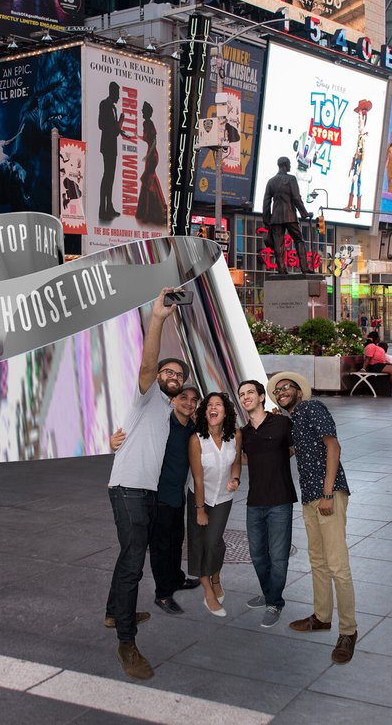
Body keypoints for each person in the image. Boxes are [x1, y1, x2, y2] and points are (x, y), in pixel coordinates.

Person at [105, 288, 184, 681]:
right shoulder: (148, 394)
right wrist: (157, 320)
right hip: (128, 488)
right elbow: (147, 367)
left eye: (178, 376)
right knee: (134, 562)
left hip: (143, 490)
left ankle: (113, 610)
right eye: (168, 373)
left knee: (129, 555)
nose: (171, 377)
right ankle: (126, 641)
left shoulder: (168, 409)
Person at [272, 372, 358, 664]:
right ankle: (322, 617)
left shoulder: (312, 407)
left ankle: (349, 631)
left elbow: (333, 446)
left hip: (327, 495)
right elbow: (292, 452)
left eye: (286, 387)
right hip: (310, 497)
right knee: (318, 561)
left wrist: (328, 493)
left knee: (337, 565)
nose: (281, 391)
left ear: (299, 391)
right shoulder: (294, 420)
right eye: (277, 390)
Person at [238, 378, 297, 629]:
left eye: (250, 392)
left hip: (281, 500)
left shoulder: (282, 422)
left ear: (262, 397)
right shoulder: (243, 432)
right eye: (242, 394)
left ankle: (274, 602)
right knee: (258, 555)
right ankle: (269, 592)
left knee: (279, 557)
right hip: (255, 501)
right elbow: (241, 459)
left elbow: (295, 448)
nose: (246, 397)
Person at [186, 390, 241, 617]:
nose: (212, 407)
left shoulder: (235, 435)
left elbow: (236, 463)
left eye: (218, 404)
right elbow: (198, 478)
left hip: (223, 499)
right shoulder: (196, 439)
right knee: (198, 542)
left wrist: (235, 479)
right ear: (205, 411)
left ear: (225, 411)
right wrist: (200, 510)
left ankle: (216, 576)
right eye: (209, 405)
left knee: (214, 541)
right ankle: (208, 590)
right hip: (199, 496)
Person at [149, 384, 201, 615]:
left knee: (176, 540)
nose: (189, 402)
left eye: (193, 399)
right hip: (159, 495)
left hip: (177, 495)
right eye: (184, 398)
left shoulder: (192, 427)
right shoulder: (162, 425)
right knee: (161, 547)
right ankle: (162, 594)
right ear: (173, 401)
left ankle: (177, 578)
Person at [261, 156, 312, 274]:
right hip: (290, 216)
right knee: (299, 240)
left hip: (276, 218)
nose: (290, 166)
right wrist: (304, 213)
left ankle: (282, 269)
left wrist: (267, 220)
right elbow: (296, 198)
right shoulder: (291, 179)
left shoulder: (271, 181)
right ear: (285, 165)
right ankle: (304, 268)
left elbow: (266, 203)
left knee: (279, 244)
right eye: (289, 164)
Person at [134, 102, 169, 225]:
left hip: (153, 155)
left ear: (147, 112)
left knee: (149, 180)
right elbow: (147, 138)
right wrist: (137, 136)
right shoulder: (145, 123)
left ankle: (152, 213)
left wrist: (147, 156)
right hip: (150, 154)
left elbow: (154, 142)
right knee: (150, 181)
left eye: (143, 111)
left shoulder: (150, 123)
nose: (142, 112)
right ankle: (151, 212)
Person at [98, 81, 126, 220]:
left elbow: (114, 128)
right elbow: (102, 124)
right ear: (112, 92)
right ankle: (103, 209)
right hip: (107, 146)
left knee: (111, 177)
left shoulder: (114, 109)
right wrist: (117, 128)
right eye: (117, 94)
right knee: (107, 176)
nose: (119, 97)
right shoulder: (104, 104)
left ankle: (109, 207)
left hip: (113, 146)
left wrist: (120, 129)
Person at [362, 331, 392, 395]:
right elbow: (368, 358)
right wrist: (363, 369)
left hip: (380, 364)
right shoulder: (371, 346)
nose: (379, 338)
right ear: (376, 338)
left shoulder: (375, 346)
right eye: (378, 337)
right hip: (374, 365)